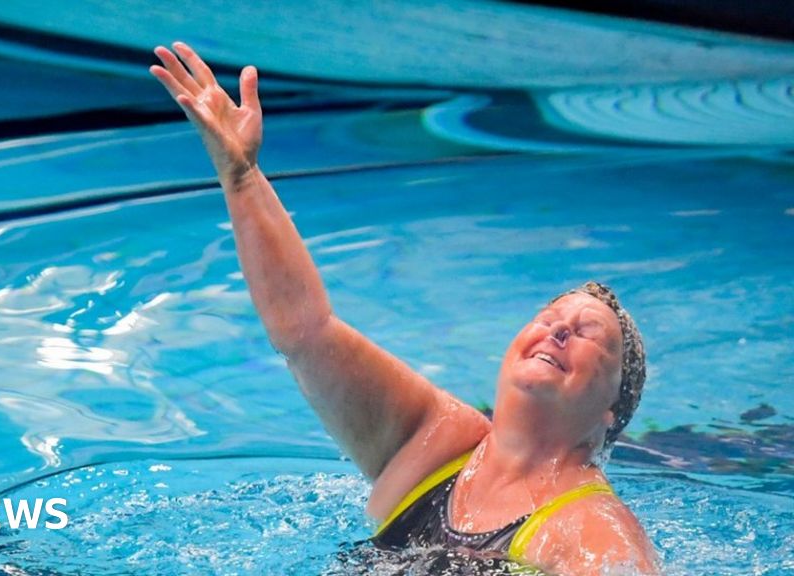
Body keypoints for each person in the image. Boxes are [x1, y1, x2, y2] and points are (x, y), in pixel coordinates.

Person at [149, 42, 661, 576]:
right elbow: (305, 332)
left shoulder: (591, 529)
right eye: (550, 319)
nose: (557, 332)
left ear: (611, 410)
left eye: (587, 335)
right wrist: (243, 177)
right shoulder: (437, 442)